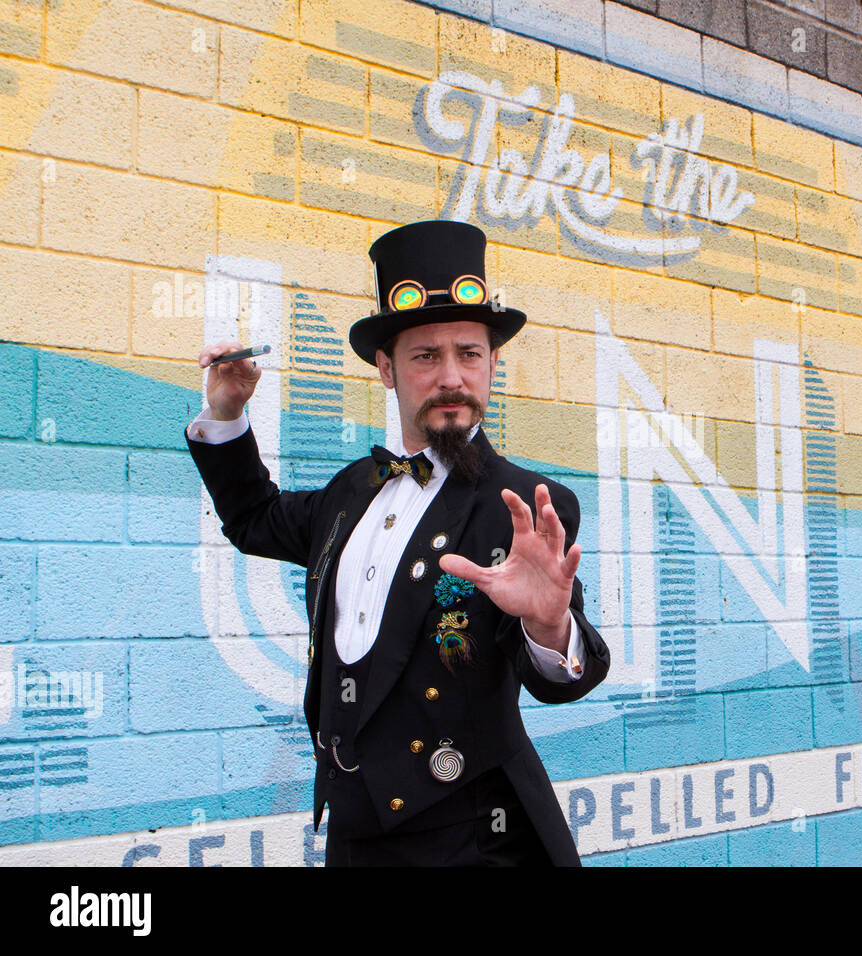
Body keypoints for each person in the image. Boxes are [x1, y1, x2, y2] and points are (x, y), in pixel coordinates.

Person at [185, 219, 609, 866]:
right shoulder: (350, 492)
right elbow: (252, 518)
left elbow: (561, 679)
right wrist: (225, 413)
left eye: (469, 353)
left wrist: (550, 628)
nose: (451, 377)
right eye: (424, 356)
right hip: (354, 833)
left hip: (474, 837)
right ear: (386, 369)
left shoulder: (522, 508)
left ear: (493, 364)